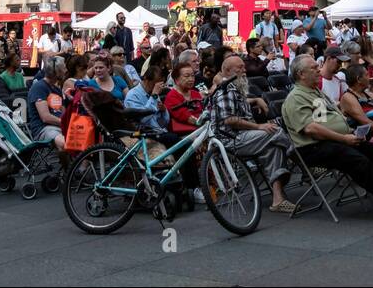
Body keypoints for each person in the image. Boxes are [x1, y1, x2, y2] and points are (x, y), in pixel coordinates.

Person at [281, 56, 373, 219]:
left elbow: (322, 121)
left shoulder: (314, 92)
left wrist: (350, 132)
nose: (318, 69)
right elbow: (311, 129)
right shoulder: (296, 98)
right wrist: (343, 138)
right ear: (301, 74)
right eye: (314, 67)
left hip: (333, 140)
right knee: (358, 161)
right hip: (313, 148)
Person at [209, 55, 296, 212]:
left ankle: (278, 200)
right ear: (228, 71)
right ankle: (300, 156)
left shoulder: (235, 89)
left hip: (243, 137)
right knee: (274, 131)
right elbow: (229, 120)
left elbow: (238, 108)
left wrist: (256, 100)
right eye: (240, 68)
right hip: (230, 140)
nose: (244, 70)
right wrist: (259, 127)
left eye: (244, 67)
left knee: (273, 148)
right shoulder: (226, 90)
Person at [162, 62, 206, 204]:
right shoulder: (172, 96)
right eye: (186, 76)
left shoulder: (195, 93)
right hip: (185, 133)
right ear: (176, 79)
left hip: (200, 130)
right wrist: (201, 121)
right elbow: (184, 116)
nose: (191, 79)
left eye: (192, 75)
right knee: (190, 147)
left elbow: (202, 110)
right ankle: (195, 187)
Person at [27, 54, 67, 150]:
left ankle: (78, 165)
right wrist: (65, 123)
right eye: (64, 68)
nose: (66, 71)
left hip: (58, 126)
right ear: (57, 72)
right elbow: (45, 117)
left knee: (82, 140)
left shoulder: (56, 89)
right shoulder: (39, 87)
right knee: (65, 143)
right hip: (43, 129)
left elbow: (63, 113)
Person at [123, 61, 170, 132]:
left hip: (160, 131)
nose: (157, 87)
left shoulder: (153, 93)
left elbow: (164, 123)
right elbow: (143, 119)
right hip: (145, 133)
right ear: (146, 79)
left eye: (159, 85)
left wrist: (164, 110)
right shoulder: (132, 95)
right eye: (155, 84)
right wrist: (154, 96)